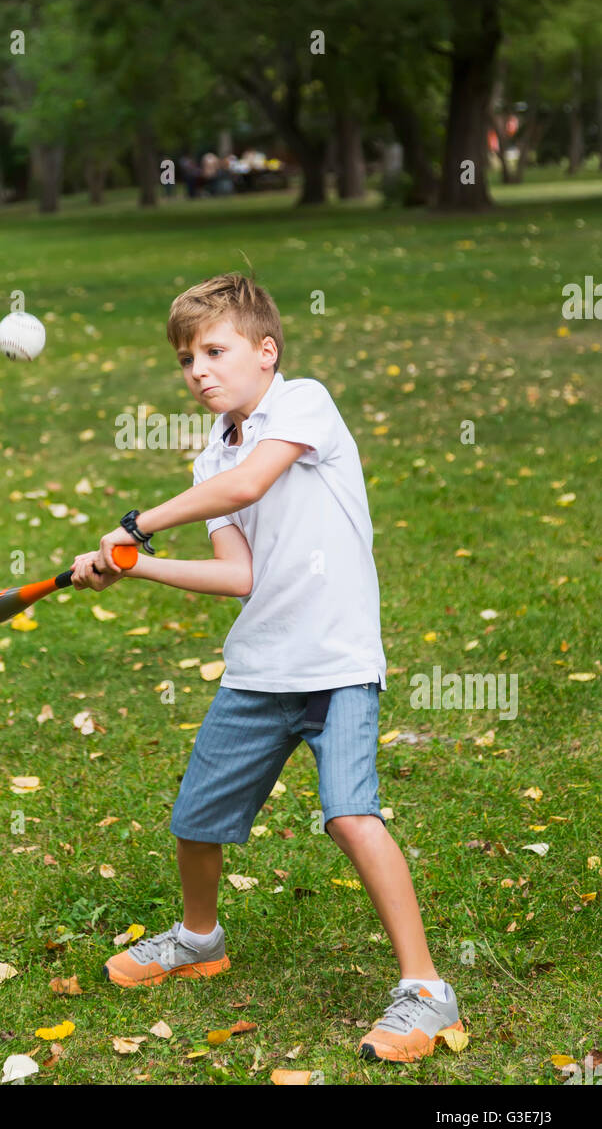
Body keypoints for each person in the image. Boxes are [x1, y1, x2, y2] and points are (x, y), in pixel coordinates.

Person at [68, 272, 464, 1064]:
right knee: (195, 819)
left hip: (336, 661)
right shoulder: (212, 453)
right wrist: (134, 566)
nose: (199, 371)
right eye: (187, 360)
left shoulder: (303, 402)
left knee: (352, 815)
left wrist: (135, 526)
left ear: (266, 351)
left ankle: (426, 989)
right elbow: (237, 575)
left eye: (214, 351)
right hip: (259, 668)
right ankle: (200, 938)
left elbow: (249, 484)